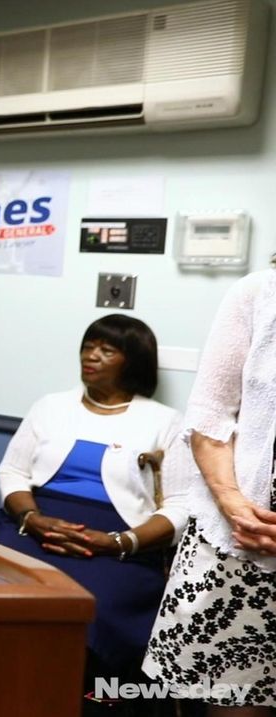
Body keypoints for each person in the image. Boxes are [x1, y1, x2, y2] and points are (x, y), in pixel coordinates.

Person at [0, 315, 185, 713]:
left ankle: (85, 702)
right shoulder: (51, 407)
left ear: (132, 361)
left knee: (99, 606)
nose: (91, 356)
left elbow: (181, 505)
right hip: (36, 525)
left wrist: (118, 542)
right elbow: (12, 472)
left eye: (106, 350)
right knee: (0, 592)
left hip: (120, 541)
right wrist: (32, 518)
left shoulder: (163, 420)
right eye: (88, 345)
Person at [143, 270, 276, 715]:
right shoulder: (257, 293)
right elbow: (209, 415)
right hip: (239, 548)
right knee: (234, 703)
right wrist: (235, 504)